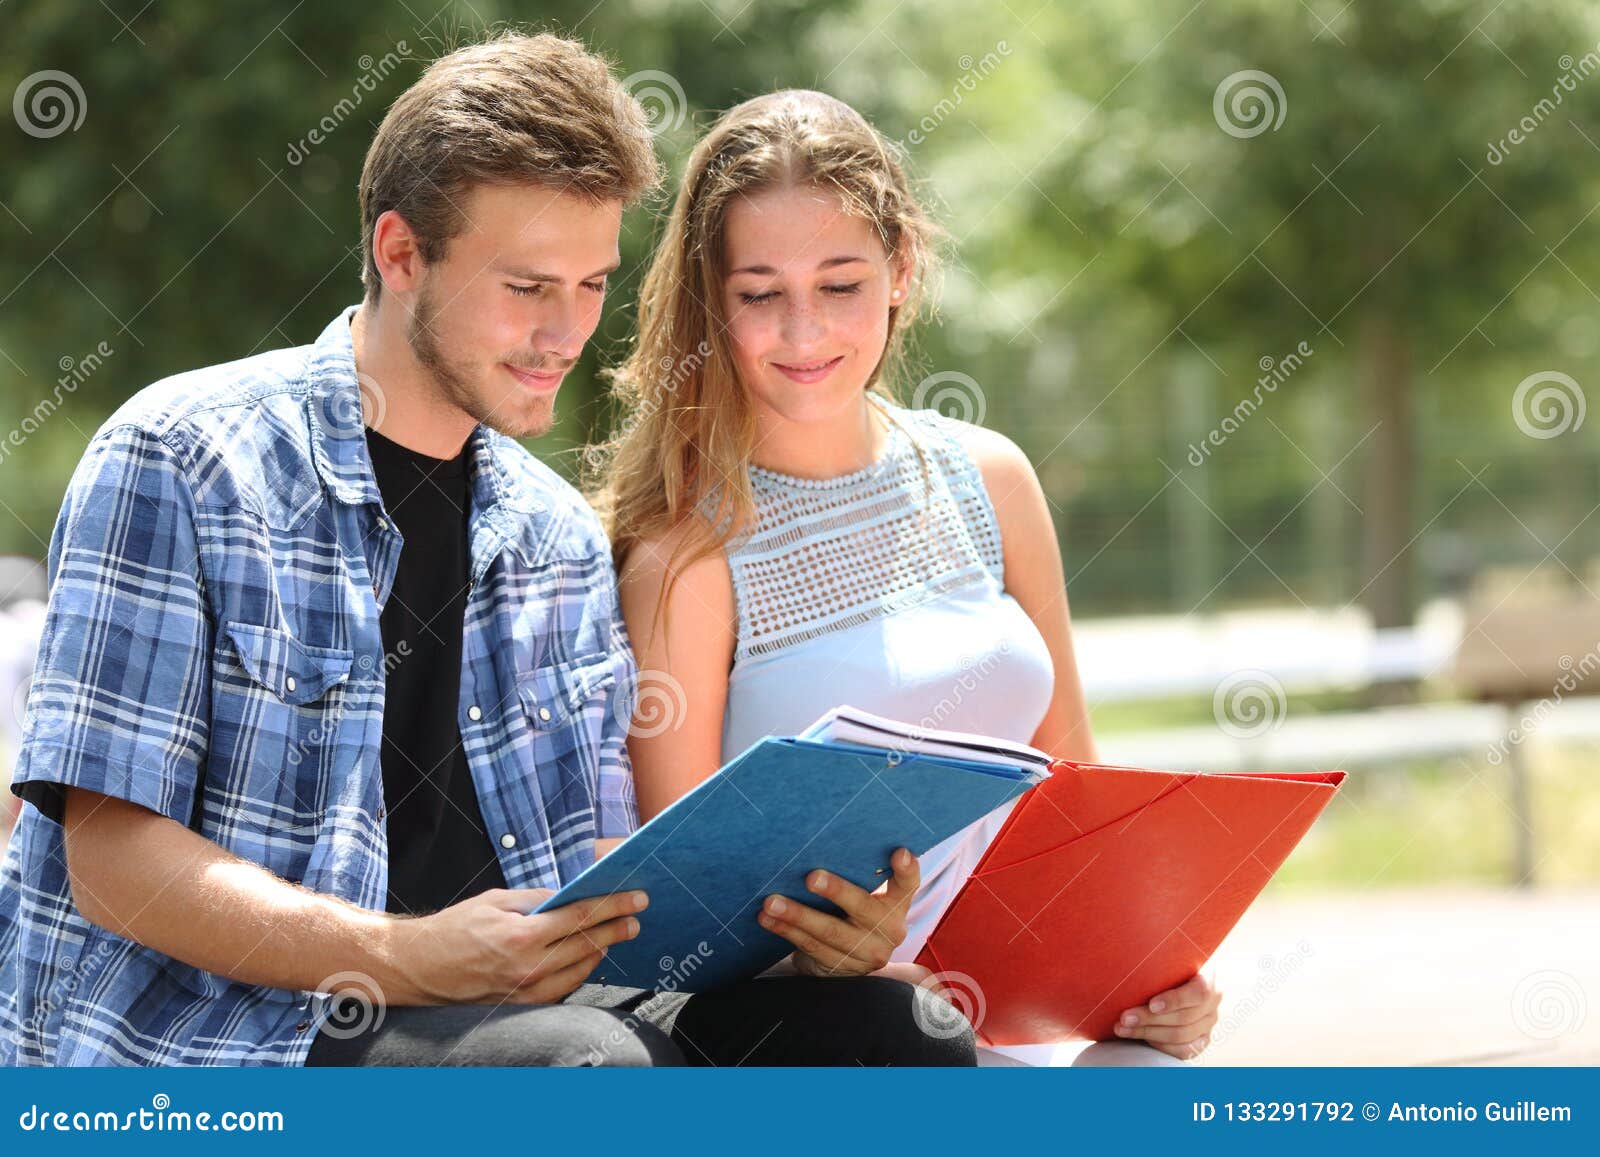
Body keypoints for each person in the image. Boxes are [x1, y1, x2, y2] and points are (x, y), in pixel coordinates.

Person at [0, 34, 970, 1068]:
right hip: (237, 1035)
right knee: (585, 1064)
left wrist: (803, 939)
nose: (566, 332)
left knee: (899, 1028)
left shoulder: (555, 533)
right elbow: (107, 856)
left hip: (522, 1010)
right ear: (401, 252)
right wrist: (408, 953)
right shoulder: (183, 457)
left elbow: (601, 872)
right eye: (526, 287)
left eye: (592, 284)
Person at [594, 89, 1221, 1064]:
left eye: (839, 283)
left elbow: (1081, 790)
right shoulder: (686, 558)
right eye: (760, 292)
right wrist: (839, 970)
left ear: (900, 270)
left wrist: (1154, 975)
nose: (802, 333)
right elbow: (680, 921)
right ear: (713, 302)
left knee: (1144, 1070)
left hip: (1024, 993)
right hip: (839, 1028)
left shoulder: (992, 476)